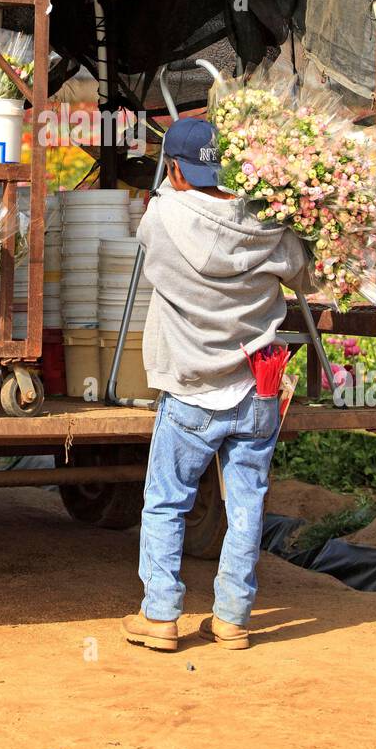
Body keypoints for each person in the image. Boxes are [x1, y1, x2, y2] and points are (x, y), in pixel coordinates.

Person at [121, 116, 312, 653]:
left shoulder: (161, 218)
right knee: (247, 503)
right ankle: (232, 619)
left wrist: (173, 182)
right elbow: (303, 271)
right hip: (258, 389)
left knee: (166, 501)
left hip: (190, 392)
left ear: (174, 170)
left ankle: (160, 616)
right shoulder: (269, 223)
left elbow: (154, 220)